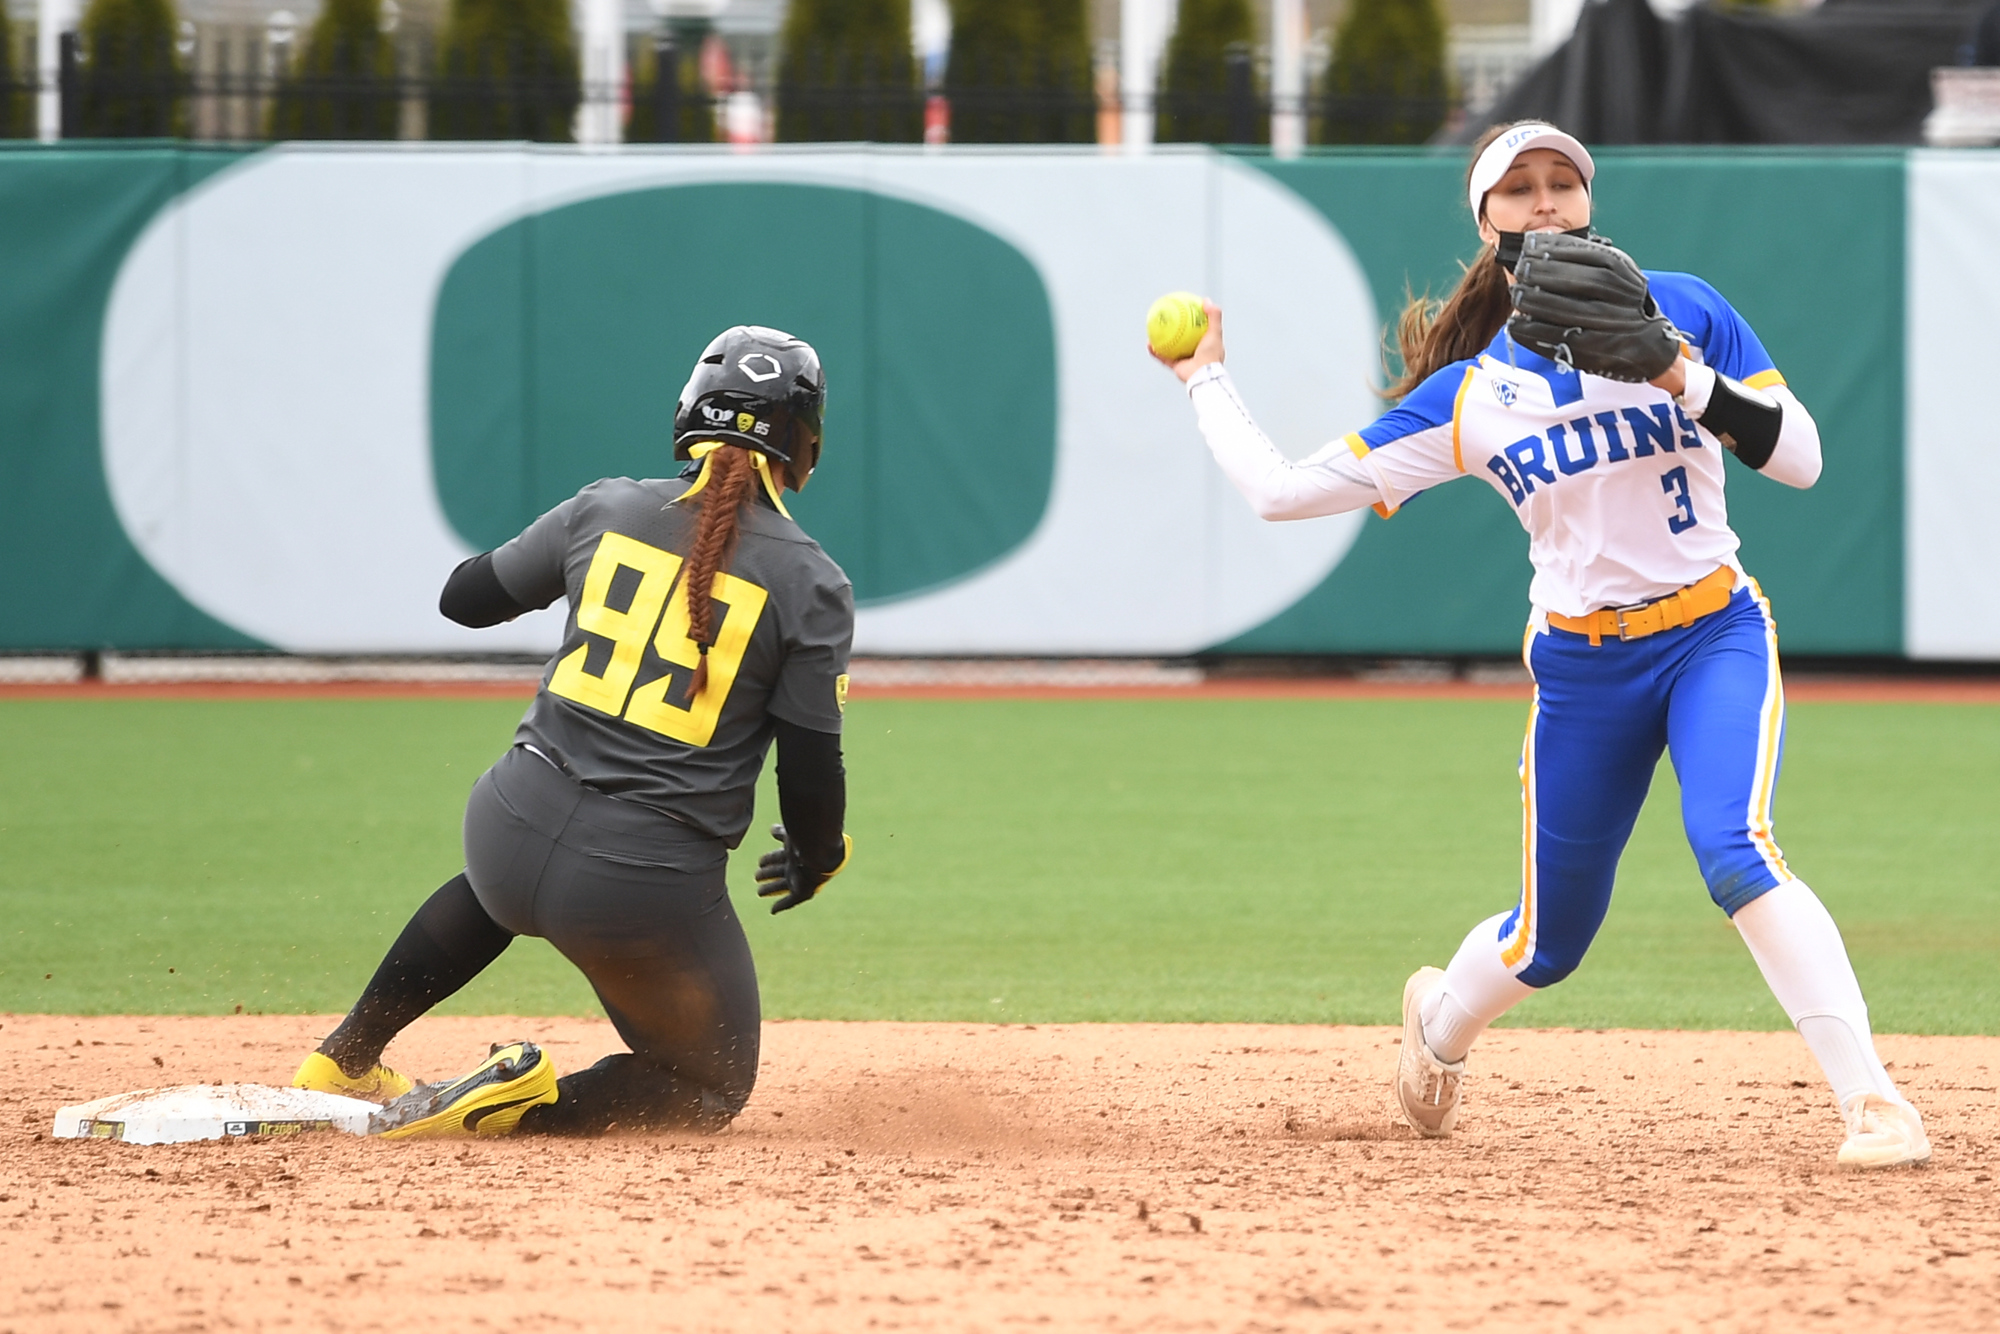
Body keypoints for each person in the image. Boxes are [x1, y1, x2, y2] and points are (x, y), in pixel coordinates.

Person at [1154, 121, 1930, 1170]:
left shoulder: (1684, 308)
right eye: (1516, 189)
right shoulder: (1471, 395)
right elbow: (1279, 492)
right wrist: (1205, 377)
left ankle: (1872, 1103)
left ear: (1587, 201)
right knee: (1546, 941)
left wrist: (1675, 373)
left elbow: (1800, 459)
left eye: (1561, 181)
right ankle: (1434, 1027)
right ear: (1484, 223)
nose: (1544, 200)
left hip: (1712, 630)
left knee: (1733, 847)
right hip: (1581, 667)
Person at [291, 325, 856, 1140]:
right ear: (805, 444)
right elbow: (810, 766)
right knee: (708, 1083)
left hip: (507, 820)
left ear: (690, 414)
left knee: (496, 894)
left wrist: (572, 551)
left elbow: (465, 599)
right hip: (639, 885)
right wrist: (818, 854)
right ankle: (516, 1106)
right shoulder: (812, 580)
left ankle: (345, 1055)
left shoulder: (605, 506)